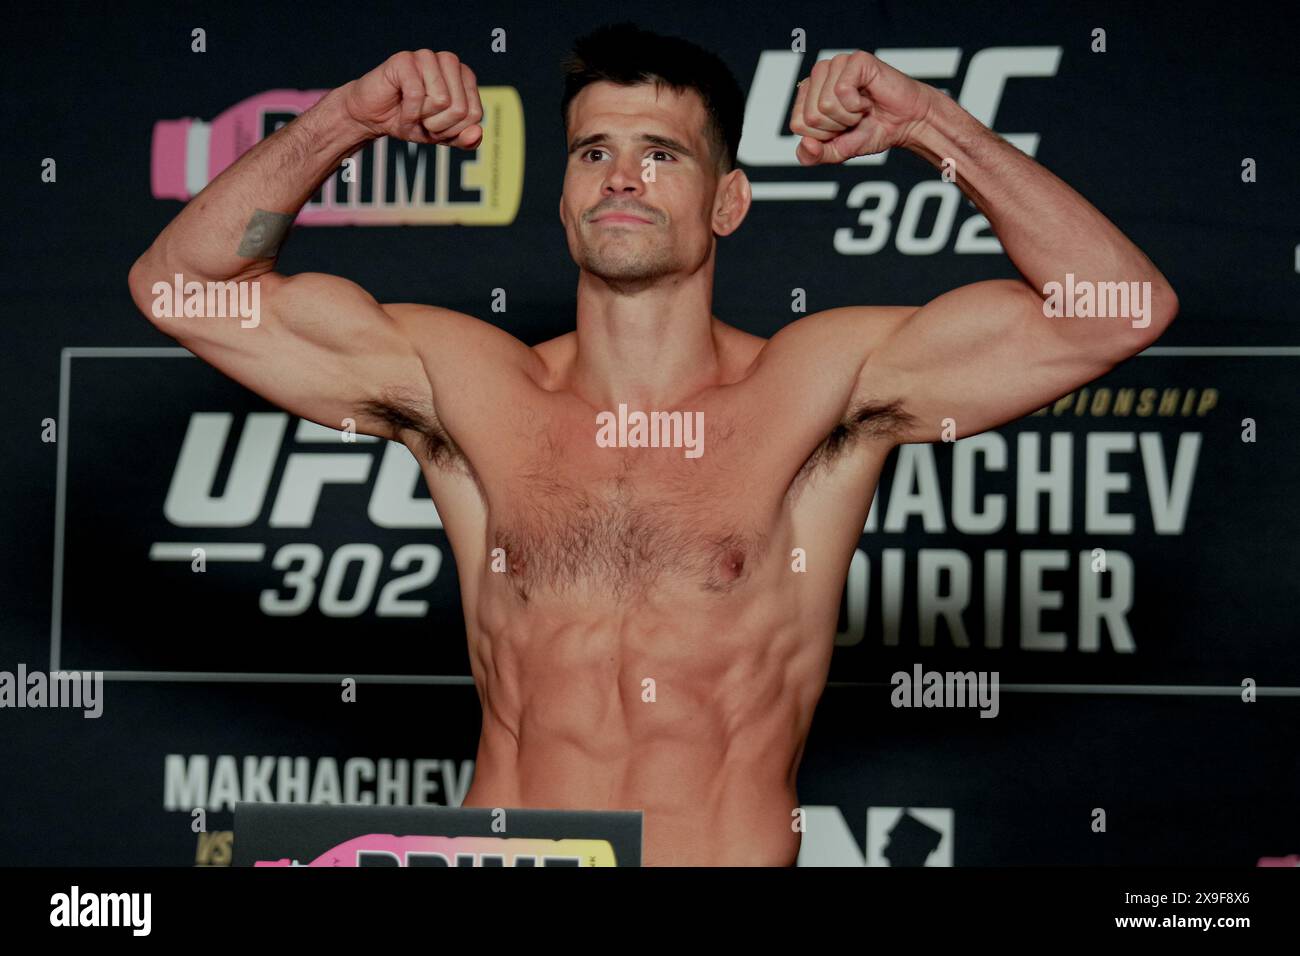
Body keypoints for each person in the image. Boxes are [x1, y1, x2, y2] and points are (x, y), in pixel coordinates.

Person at [128, 23, 1177, 866]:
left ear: (727, 200)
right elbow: (180, 287)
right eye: (594, 151)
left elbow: (1116, 307)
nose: (620, 178)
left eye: (660, 153)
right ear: (563, 195)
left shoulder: (816, 387)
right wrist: (344, 121)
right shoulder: (466, 383)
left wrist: (933, 125)